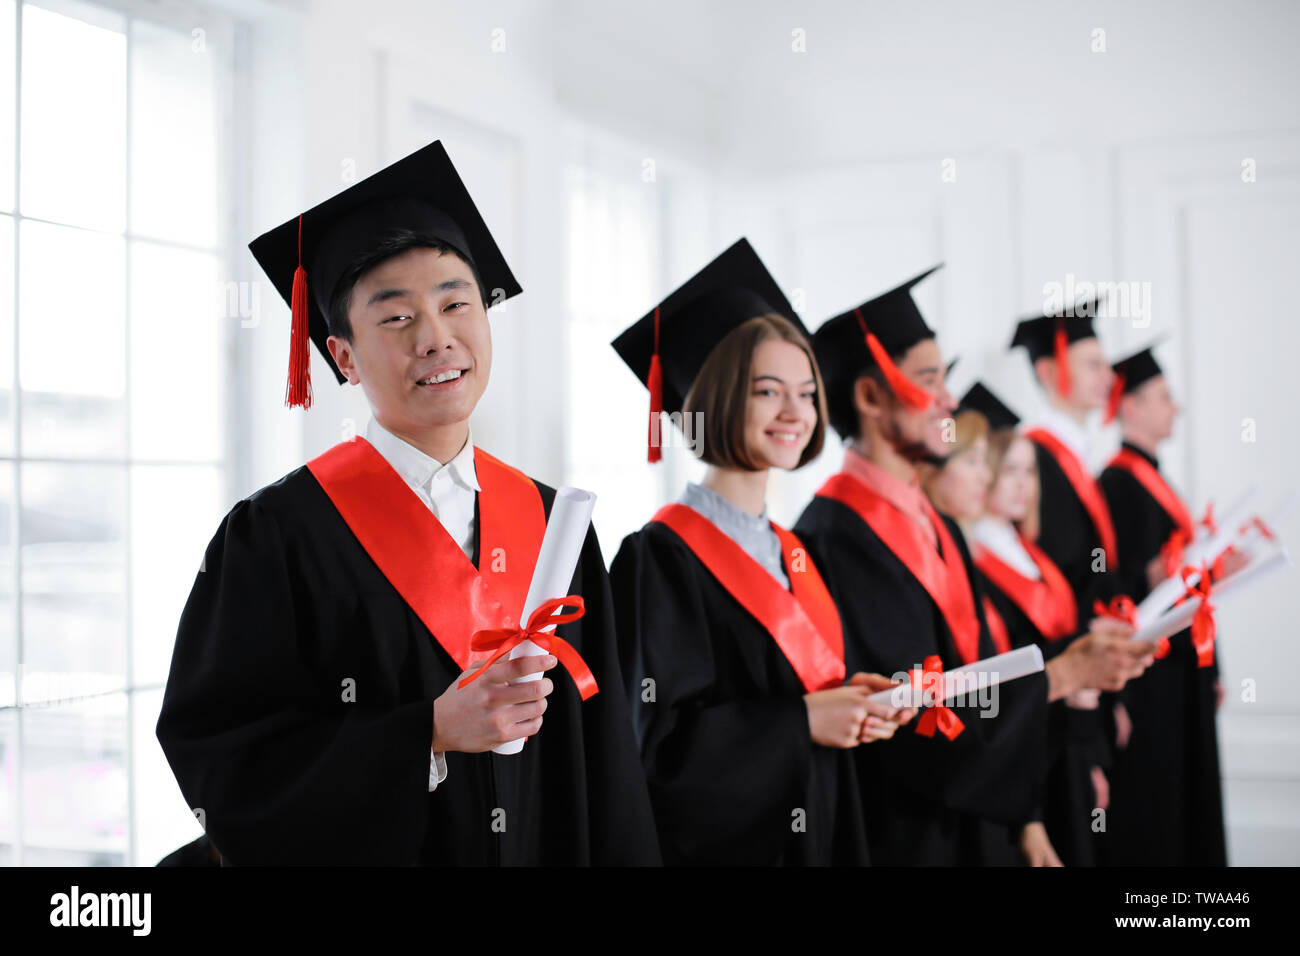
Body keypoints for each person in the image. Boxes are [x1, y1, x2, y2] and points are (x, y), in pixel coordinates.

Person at [155, 140, 660, 865]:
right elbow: (225, 763)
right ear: (344, 357)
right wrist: (425, 733)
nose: (436, 337)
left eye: (457, 303)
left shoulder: (556, 523)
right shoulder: (279, 535)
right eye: (396, 319)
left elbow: (606, 763)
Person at [608, 239, 912, 866]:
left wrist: (850, 703)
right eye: (767, 391)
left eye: (806, 392)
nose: (794, 412)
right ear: (716, 398)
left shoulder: (795, 550)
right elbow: (653, 751)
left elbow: (793, 687)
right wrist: (800, 724)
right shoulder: (660, 560)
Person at [793, 266, 1049, 866]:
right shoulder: (831, 535)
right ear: (870, 395)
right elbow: (906, 714)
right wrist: (1057, 681)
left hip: (971, 822)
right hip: (904, 835)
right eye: (929, 379)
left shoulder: (929, 517)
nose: (950, 399)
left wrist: (1026, 819)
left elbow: (975, 661)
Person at [937, 383, 1155, 865]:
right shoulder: (971, 563)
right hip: (1027, 743)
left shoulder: (1037, 559)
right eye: (1004, 469)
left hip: (1061, 737)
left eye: (1029, 472)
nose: (1020, 485)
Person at [1098, 343, 1237, 865]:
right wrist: (1152, 574)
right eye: (1162, 398)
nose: (1174, 407)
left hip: (1183, 674)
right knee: (1156, 812)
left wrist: (1211, 664)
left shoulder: (1158, 483)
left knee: (1189, 805)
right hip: (1151, 682)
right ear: (1129, 406)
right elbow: (1113, 585)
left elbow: (1188, 590)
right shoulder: (1115, 485)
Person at [1009, 298, 1129, 866]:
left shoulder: (1078, 457)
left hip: (1090, 675)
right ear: (1047, 370)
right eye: (1091, 364)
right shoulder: (1037, 458)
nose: (1108, 378)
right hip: (1060, 685)